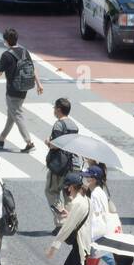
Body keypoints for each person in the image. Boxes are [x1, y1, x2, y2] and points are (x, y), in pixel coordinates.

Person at [0, 27, 42, 152]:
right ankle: (1, 139)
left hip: (12, 90)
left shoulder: (6, 55)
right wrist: (39, 84)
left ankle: (29, 143)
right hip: (24, 87)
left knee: (17, 114)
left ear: (6, 41)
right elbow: (33, 69)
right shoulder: (24, 51)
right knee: (12, 114)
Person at [46, 171, 93, 265]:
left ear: (73, 186)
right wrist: (69, 214)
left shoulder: (77, 202)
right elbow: (78, 219)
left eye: (68, 187)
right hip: (84, 241)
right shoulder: (85, 199)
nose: (67, 190)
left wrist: (54, 247)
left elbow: (67, 228)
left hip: (80, 244)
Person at [43, 97, 80, 229]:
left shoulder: (59, 125)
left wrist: (48, 142)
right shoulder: (74, 125)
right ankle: (71, 224)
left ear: (59, 109)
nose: (54, 110)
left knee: (51, 192)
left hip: (59, 165)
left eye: (55, 108)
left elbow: (56, 145)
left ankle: (61, 222)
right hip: (72, 164)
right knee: (68, 195)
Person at [82, 164, 115, 265]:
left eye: (88, 176)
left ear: (94, 179)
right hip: (102, 236)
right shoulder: (100, 191)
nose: (86, 178)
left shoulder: (95, 194)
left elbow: (94, 218)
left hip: (95, 237)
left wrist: (89, 241)